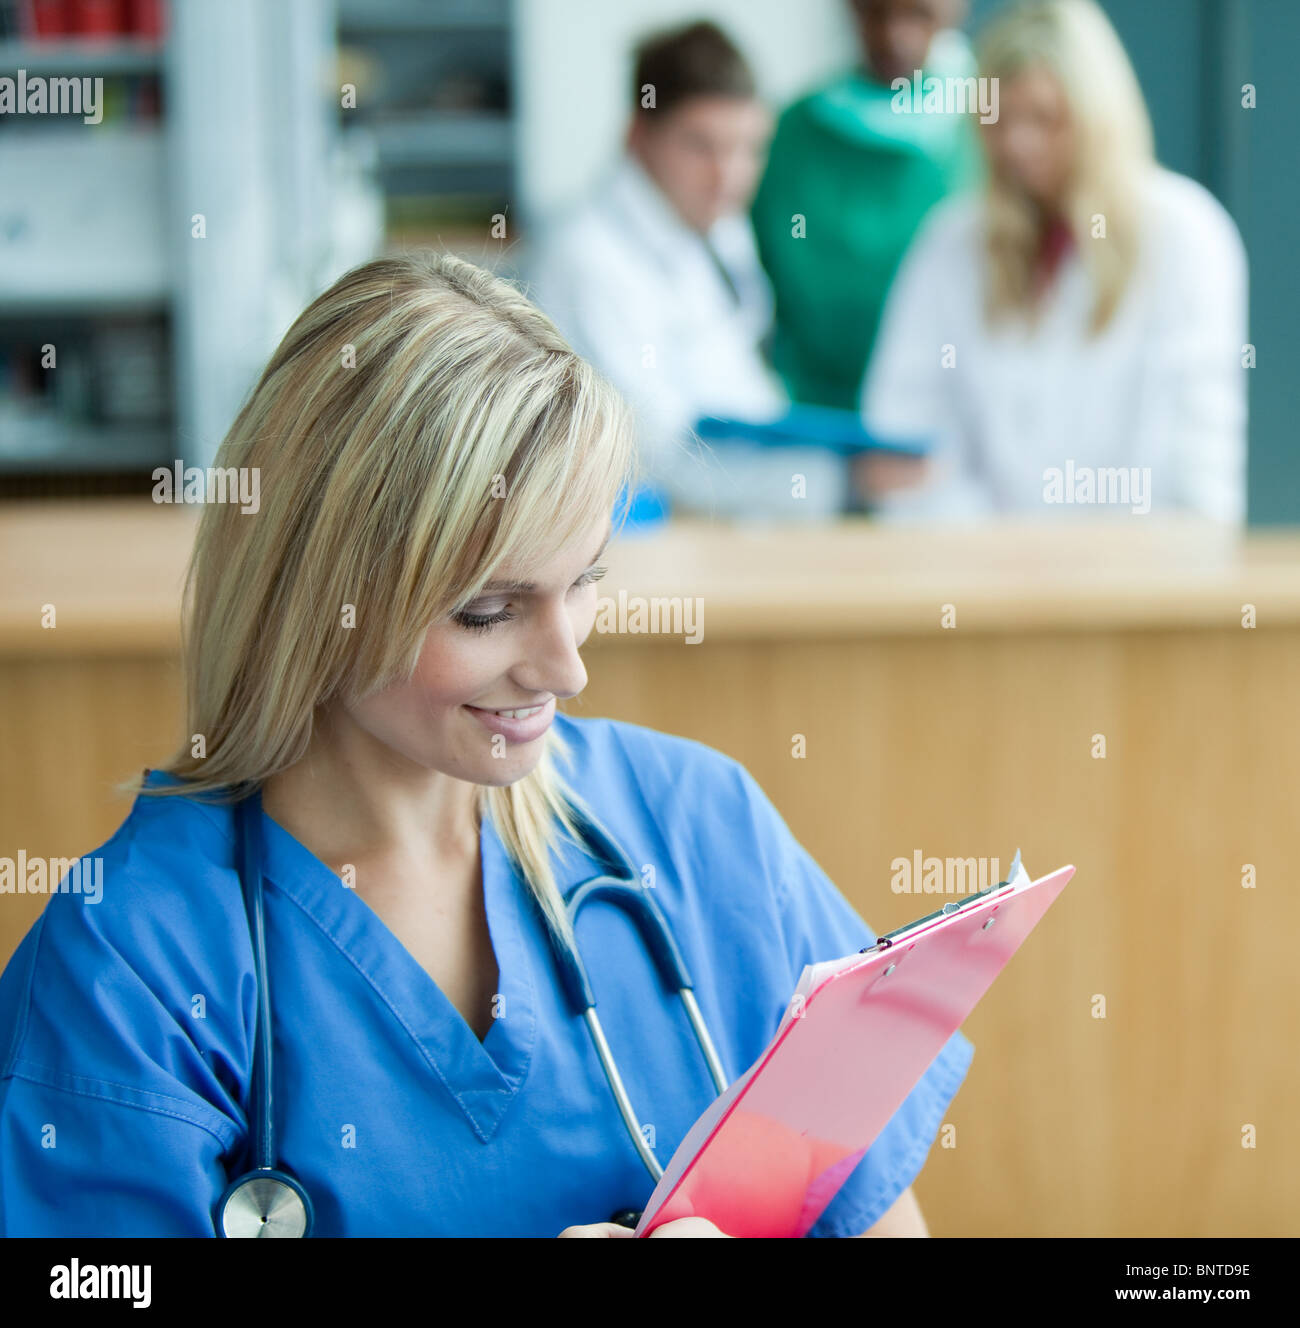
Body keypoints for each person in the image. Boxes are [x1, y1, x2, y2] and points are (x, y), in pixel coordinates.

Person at [0, 253, 972, 1237]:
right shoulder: (129, 969)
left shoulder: (693, 826)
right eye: (486, 611)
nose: (564, 667)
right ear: (314, 596)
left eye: (585, 577)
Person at [859, 0, 1248, 521]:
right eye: (1002, 121)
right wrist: (1004, 557)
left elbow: (1195, 470)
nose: (1019, 145)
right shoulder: (950, 245)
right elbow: (900, 452)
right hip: (979, 585)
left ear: (1097, 116)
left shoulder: (1186, 236)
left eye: (1044, 118)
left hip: (1139, 585)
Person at [527, 21, 859, 522]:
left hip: (749, 525)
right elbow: (656, 453)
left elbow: (743, 391)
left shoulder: (719, 229)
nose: (728, 175)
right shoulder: (586, 257)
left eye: (747, 148)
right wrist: (836, 482)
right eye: (702, 146)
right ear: (638, 135)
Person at [751, 0, 981, 415]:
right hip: (805, 417)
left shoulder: (991, 129)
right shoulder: (791, 136)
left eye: (918, 14)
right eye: (876, 12)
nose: (894, 36)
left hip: (949, 421)